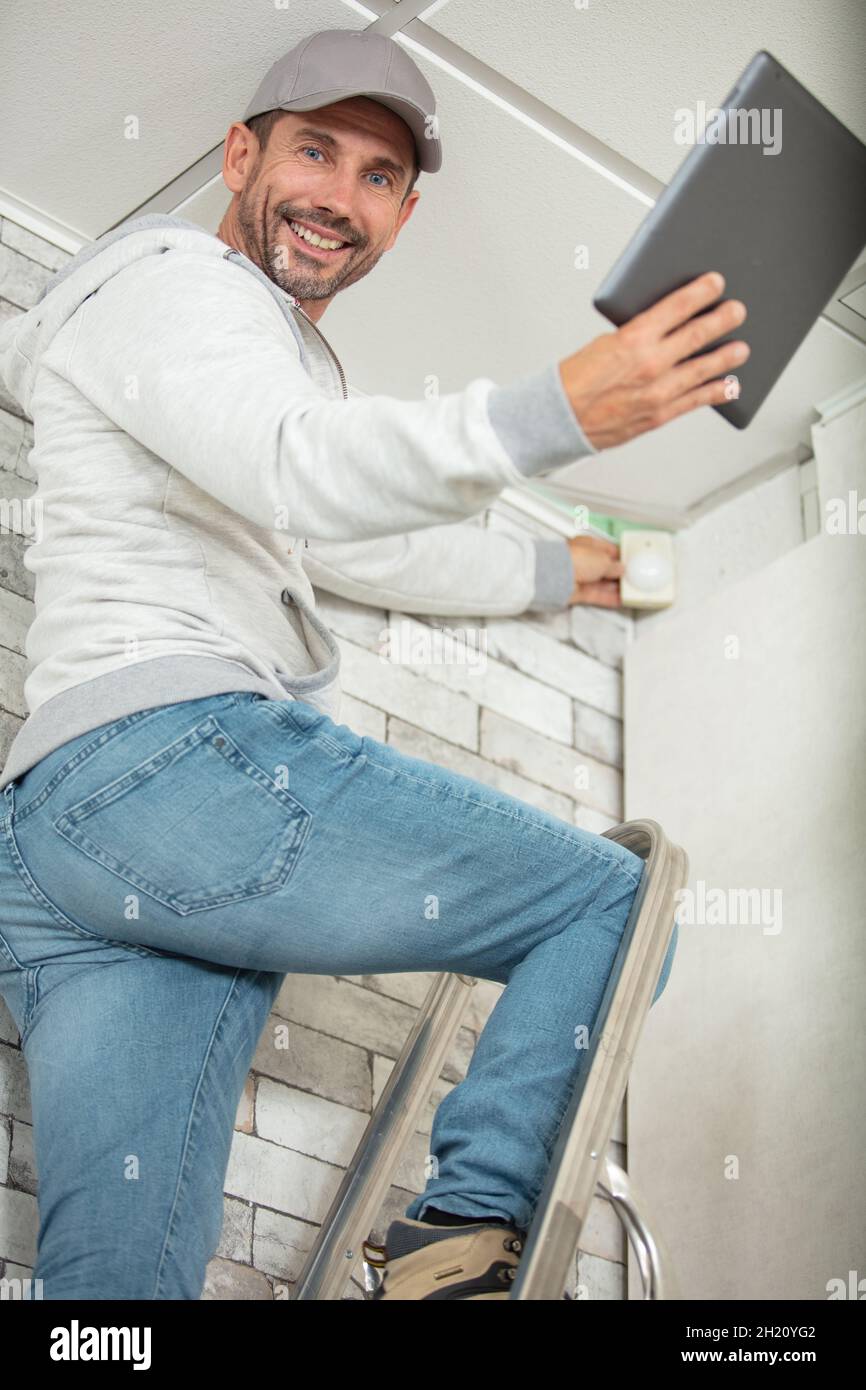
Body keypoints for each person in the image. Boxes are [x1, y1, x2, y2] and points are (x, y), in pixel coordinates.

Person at [0, 28, 748, 1300]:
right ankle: (451, 1246)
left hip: (76, 853)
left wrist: (563, 573)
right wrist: (552, 410)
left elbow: (357, 541)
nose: (338, 198)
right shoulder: (176, 283)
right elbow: (301, 462)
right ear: (240, 154)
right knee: (611, 907)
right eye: (313, 151)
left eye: (380, 176)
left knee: (116, 1291)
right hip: (166, 773)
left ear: (404, 213)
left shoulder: (229, 371)